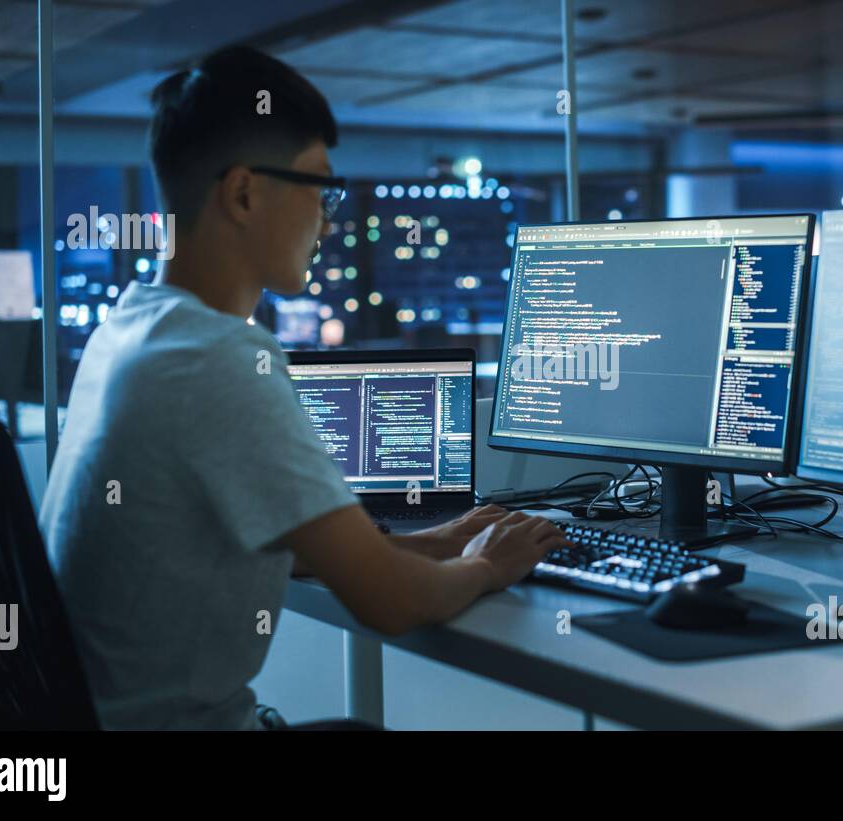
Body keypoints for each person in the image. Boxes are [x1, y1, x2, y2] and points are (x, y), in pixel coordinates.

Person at [38, 46, 566, 730]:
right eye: (319, 187)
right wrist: (488, 568)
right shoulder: (219, 357)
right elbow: (389, 602)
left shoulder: (132, 328)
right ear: (244, 193)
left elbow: (322, 554)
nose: (329, 217)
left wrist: (441, 542)